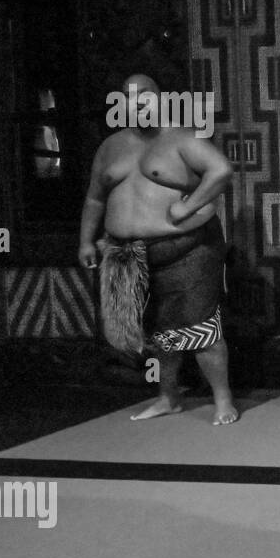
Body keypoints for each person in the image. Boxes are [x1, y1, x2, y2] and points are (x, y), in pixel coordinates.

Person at [79, 73, 238, 425]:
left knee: (199, 325)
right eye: (129, 98)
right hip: (128, 254)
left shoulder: (182, 138)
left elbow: (222, 171)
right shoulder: (110, 147)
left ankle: (222, 399)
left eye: (145, 97)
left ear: (160, 99)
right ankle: (168, 397)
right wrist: (86, 240)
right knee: (156, 329)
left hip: (189, 250)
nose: (137, 104)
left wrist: (187, 206)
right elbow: (94, 198)